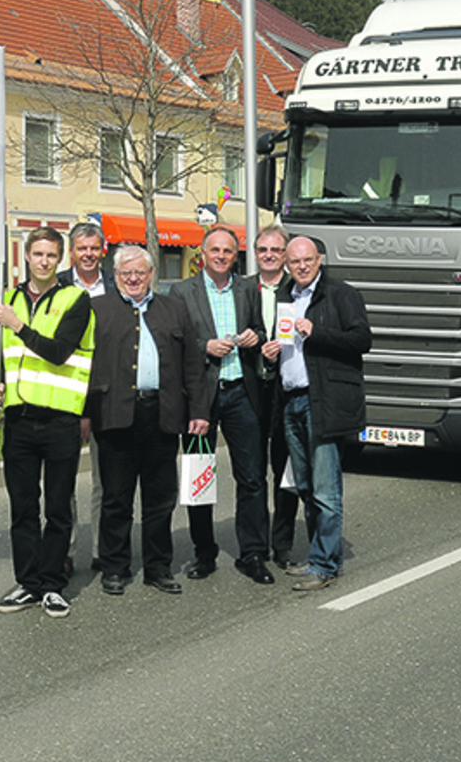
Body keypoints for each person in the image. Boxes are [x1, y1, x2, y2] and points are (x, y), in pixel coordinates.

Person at [0, 227, 94, 619]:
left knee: (58, 508)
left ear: (60, 259)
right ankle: (28, 583)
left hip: (61, 419)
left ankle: (52, 584)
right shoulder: (7, 301)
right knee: (23, 507)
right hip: (19, 420)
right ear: (26, 255)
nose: (44, 261)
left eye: (51, 256)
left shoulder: (75, 300)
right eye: (38, 254)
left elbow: (60, 352)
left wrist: (18, 325)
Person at [87, 245, 207, 596]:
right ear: (117, 276)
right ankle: (115, 567)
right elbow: (85, 365)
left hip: (163, 415)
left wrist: (198, 411)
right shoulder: (98, 309)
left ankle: (158, 567)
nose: (134, 279)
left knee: (160, 499)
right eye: (127, 274)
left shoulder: (173, 309)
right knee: (116, 498)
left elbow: (192, 366)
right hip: (115, 415)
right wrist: (83, 414)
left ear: (151, 273)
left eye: (140, 272)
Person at [261, 235, 370, 592]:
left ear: (319, 259)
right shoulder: (285, 297)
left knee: (325, 489)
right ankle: (317, 556)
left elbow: (361, 340)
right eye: (295, 262)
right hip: (291, 400)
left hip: (323, 401)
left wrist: (317, 332)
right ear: (287, 266)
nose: (302, 267)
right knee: (304, 486)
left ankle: (326, 564)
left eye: (307, 260)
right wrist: (272, 354)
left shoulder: (341, 294)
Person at [171, 225, 272, 584]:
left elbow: (261, 330)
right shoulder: (182, 291)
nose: (221, 256)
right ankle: (204, 552)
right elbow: (174, 342)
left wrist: (254, 336)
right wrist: (204, 347)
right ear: (202, 253)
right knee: (199, 476)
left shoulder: (248, 288)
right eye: (215, 250)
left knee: (252, 477)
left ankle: (254, 553)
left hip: (242, 394)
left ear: (235, 255)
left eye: (228, 251)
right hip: (201, 398)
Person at [55, 221, 108, 572]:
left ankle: (103, 552)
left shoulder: (118, 285)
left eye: (93, 248)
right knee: (63, 483)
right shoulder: (55, 286)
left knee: (106, 482)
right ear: (72, 252)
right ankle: (65, 551)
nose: (88, 254)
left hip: (107, 394)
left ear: (102, 249)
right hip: (63, 396)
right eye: (81, 248)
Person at [247, 225, 301, 566]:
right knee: (252, 473)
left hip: (286, 389)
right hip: (250, 389)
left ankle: (281, 544)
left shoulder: (296, 289)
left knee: (286, 471)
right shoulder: (242, 288)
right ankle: (254, 544)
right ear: (256, 253)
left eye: (276, 250)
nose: (269, 255)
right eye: (263, 249)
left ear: (284, 255)